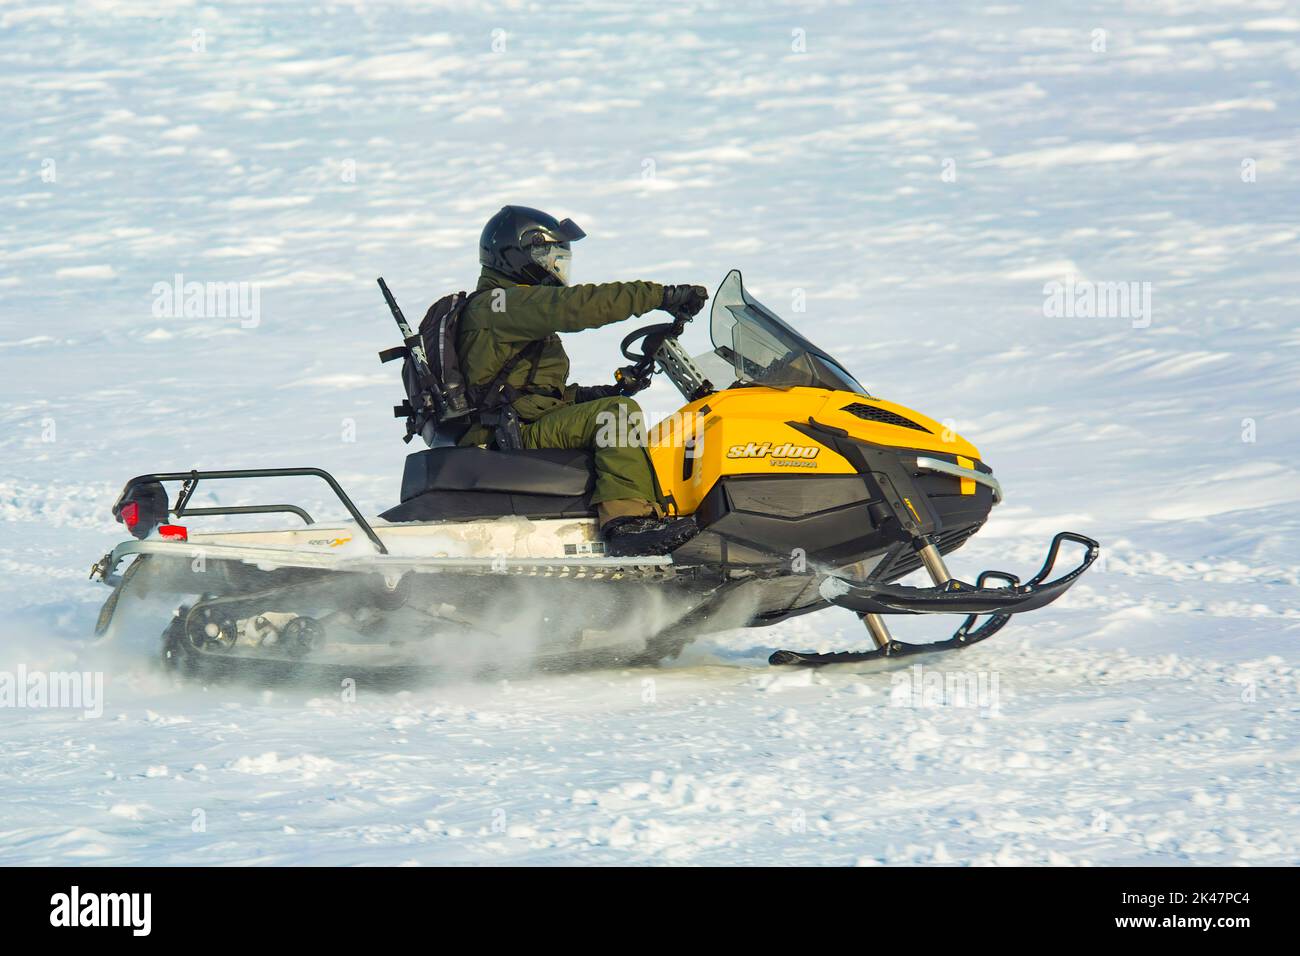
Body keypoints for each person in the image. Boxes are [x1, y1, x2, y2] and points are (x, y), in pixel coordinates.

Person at [457, 205, 706, 555]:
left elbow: (531, 395)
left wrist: (599, 392)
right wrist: (660, 296)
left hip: (514, 424)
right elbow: (575, 307)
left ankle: (651, 514)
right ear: (518, 255)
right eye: (551, 257)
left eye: (562, 259)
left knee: (611, 406)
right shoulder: (502, 304)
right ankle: (629, 525)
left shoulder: (506, 307)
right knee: (615, 414)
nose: (557, 268)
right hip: (506, 434)